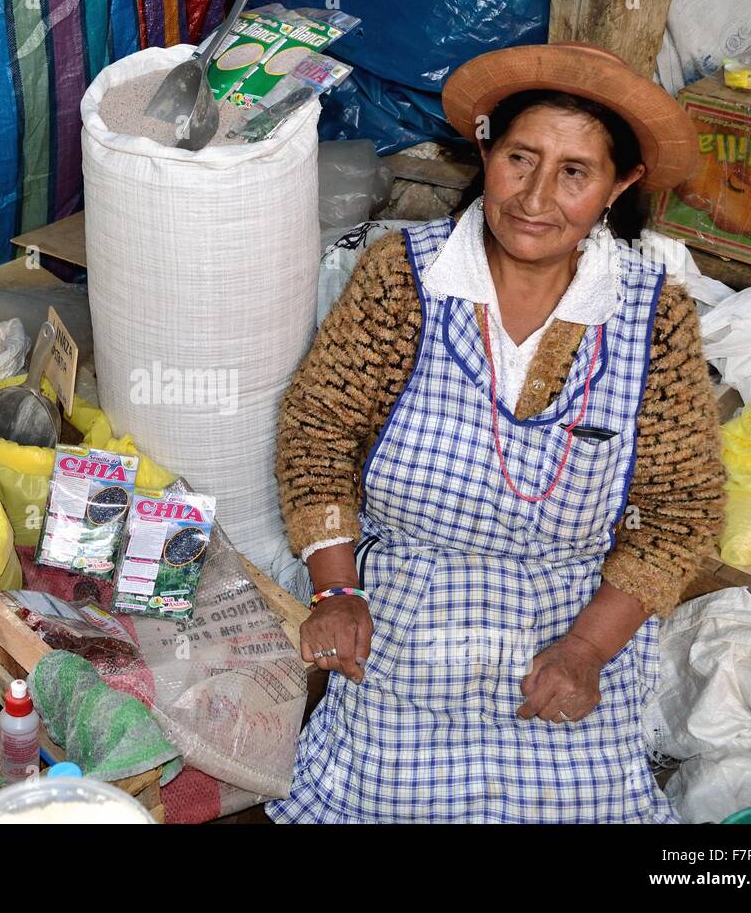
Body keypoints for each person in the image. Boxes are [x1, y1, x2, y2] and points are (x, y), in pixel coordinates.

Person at [268, 43, 725, 823]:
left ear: (622, 185)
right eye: (520, 158)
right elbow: (319, 434)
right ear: (486, 150)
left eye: (576, 172)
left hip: (575, 603)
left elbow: (680, 511)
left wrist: (584, 653)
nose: (536, 197)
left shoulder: (654, 316)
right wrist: (339, 590)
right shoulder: (401, 278)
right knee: (383, 794)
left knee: (577, 801)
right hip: (409, 590)